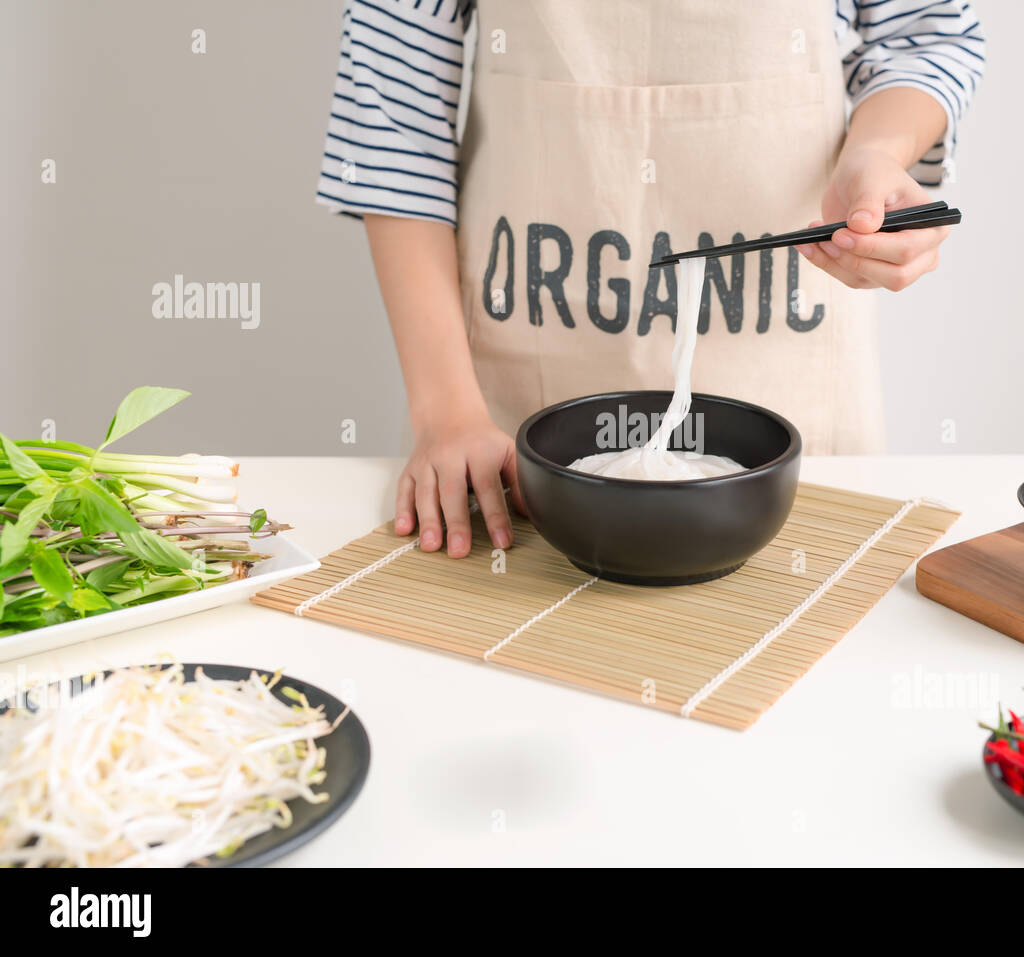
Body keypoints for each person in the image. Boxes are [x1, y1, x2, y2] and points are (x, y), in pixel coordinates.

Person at [316, 0, 983, 557]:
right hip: (512, 465)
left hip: (809, 454)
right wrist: (446, 413)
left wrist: (877, 154)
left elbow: (925, 37)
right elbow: (391, 115)